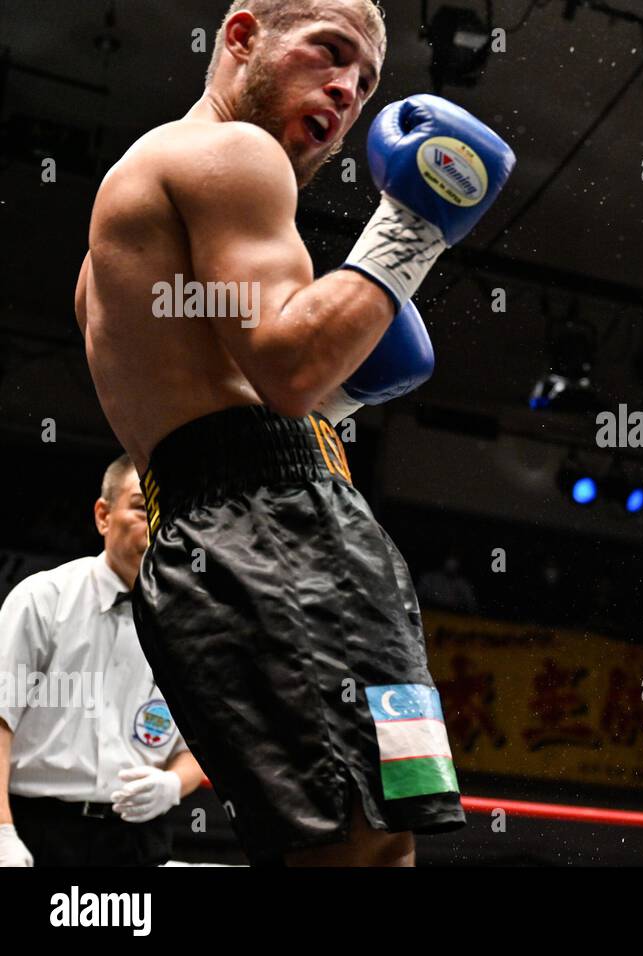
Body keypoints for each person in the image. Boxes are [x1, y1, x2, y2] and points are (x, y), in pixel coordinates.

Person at [74, 0, 514, 865]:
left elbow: (214, 415)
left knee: (361, 838)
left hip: (223, 532)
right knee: (359, 842)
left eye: (366, 82)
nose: (347, 90)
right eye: (330, 51)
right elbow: (287, 369)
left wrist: (336, 406)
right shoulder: (232, 154)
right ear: (242, 37)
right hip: (277, 533)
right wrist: (413, 228)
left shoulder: (114, 242)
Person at [0, 456, 203, 866]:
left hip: (140, 840)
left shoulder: (196, 623)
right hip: (39, 829)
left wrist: (171, 784)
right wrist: (2, 832)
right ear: (103, 516)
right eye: (142, 508)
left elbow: (203, 743)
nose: (159, 525)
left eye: (171, 511)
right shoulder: (43, 599)